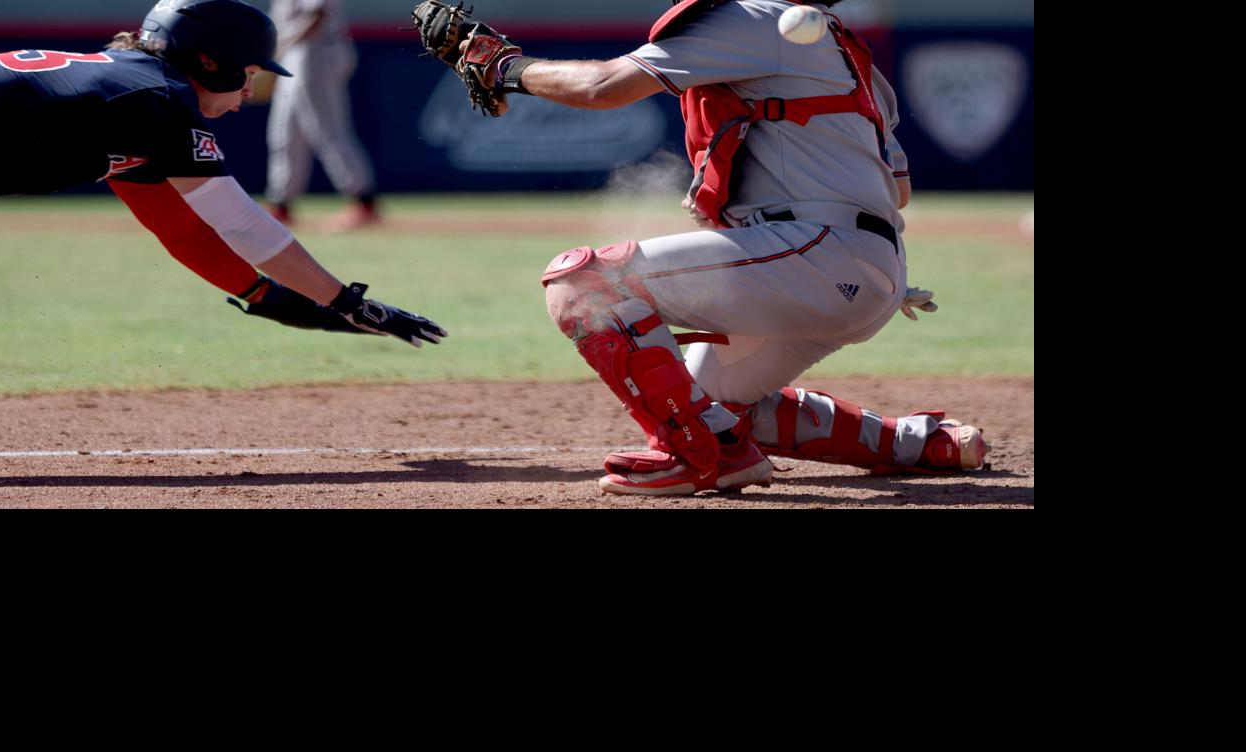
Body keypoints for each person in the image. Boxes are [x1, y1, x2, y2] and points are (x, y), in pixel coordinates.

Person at [414, 0, 988, 497]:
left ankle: (702, 457)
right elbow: (900, 191)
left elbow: (601, 87)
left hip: (816, 254)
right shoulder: (848, 52)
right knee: (712, 408)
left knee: (585, 284)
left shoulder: (757, 15)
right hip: (851, 265)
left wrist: (506, 67)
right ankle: (918, 444)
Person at [0, 0, 441, 347]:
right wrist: (350, 303)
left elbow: (183, 230)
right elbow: (242, 223)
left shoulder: (132, 101)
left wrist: (271, 299)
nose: (247, 96)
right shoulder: (157, 100)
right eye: (251, 75)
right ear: (212, 62)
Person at [264, 0, 381, 231]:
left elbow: (316, 16)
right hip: (294, 54)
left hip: (315, 52)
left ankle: (363, 201)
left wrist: (278, 48)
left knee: (327, 131)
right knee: (284, 133)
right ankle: (280, 204)